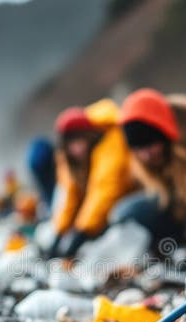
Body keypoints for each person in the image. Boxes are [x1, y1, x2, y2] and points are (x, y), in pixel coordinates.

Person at [116, 88, 186, 248]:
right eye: (139, 150)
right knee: (125, 212)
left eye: (150, 146)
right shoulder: (156, 156)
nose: (146, 156)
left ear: (165, 135)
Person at [49, 99, 133, 259]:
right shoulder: (69, 159)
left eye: (79, 140)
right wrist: (60, 232)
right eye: (71, 143)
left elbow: (105, 190)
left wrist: (82, 232)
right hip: (98, 214)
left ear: (88, 136)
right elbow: (70, 194)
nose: (76, 148)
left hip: (121, 204)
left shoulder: (111, 141)